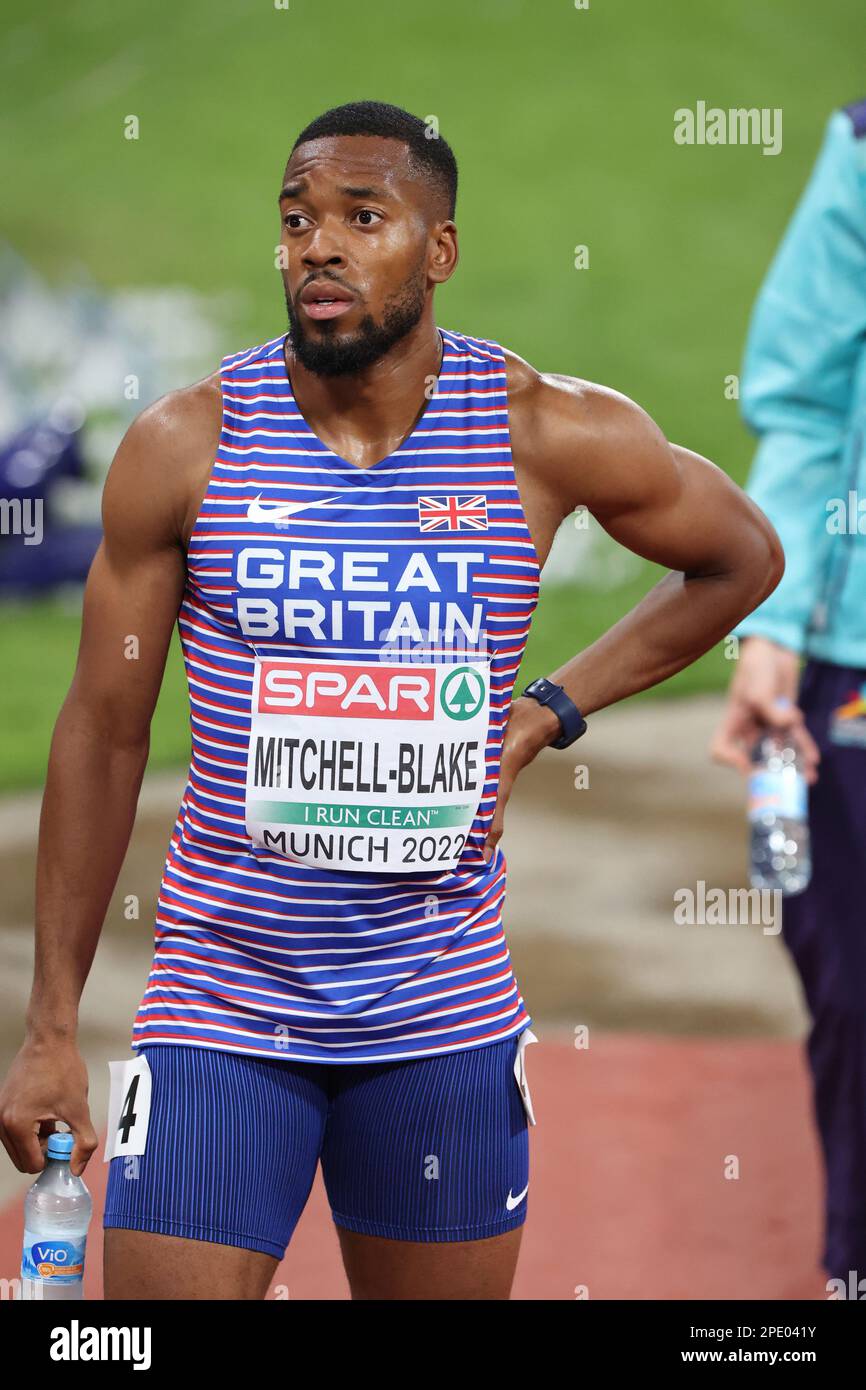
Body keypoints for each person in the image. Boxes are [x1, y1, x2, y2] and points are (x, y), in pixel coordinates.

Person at [0, 100, 782, 1301]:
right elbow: (104, 729)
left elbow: (737, 557)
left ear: (438, 251)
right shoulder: (188, 448)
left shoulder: (536, 431)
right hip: (221, 1006)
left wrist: (546, 711)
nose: (317, 245)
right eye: (297, 219)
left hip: (439, 1020)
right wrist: (53, 1023)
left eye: (362, 219)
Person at [711, 98, 866, 1288]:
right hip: (852, 666)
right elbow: (807, 403)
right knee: (851, 994)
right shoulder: (861, 147)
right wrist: (770, 626)